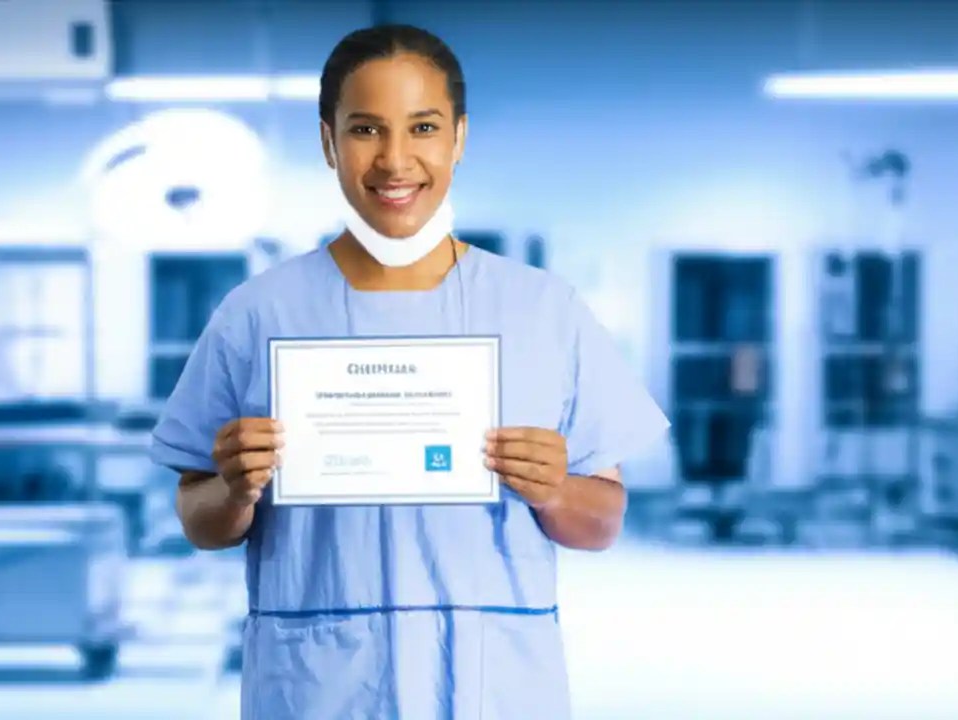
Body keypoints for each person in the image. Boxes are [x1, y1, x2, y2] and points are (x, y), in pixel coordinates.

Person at [150, 23, 668, 719]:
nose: (395, 161)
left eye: (423, 127)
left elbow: (602, 522)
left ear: (459, 138)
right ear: (329, 142)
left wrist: (553, 491)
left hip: (492, 687)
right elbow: (199, 517)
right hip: (318, 687)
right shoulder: (257, 313)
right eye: (365, 129)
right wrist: (237, 491)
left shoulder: (543, 310)